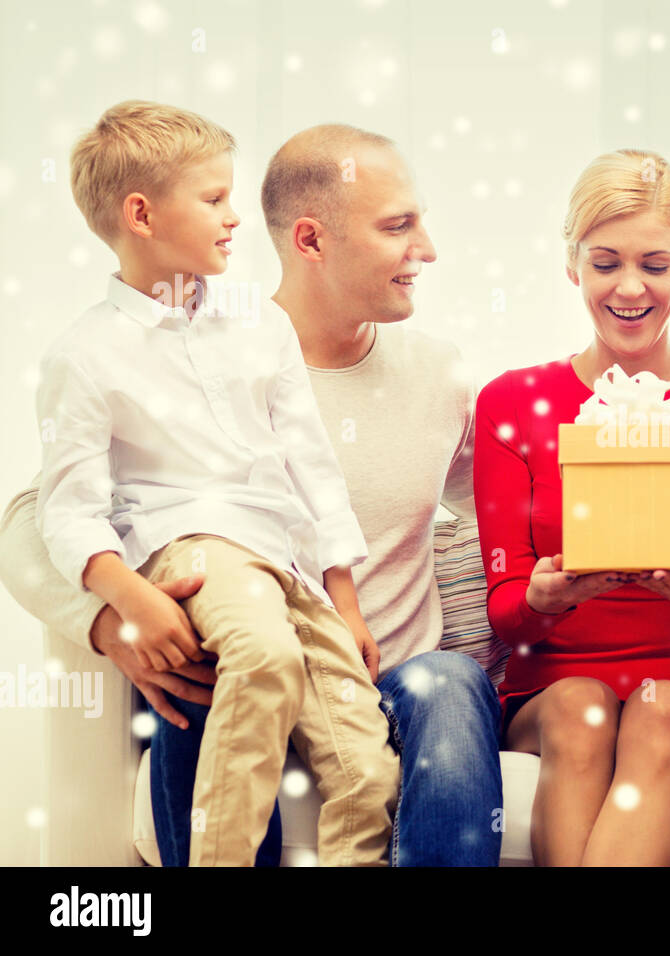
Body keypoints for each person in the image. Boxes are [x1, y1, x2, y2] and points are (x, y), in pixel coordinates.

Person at [1, 121, 504, 866]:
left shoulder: (438, 376)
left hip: (383, 665)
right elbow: (37, 518)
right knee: (214, 672)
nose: (427, 250)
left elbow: (504, 507)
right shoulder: (122, 354)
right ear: (311, 240)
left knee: (446, 688)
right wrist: (113, 616)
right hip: (222, 641)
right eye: (398, 226)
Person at [474, 148, 670, 866]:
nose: (630, 288)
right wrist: (546, 597)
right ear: (573, 265)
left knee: (661, 707)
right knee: (583, 706)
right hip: (549, 690)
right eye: (606, 262)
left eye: (655, 263)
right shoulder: (513, 404)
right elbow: (506, 612)